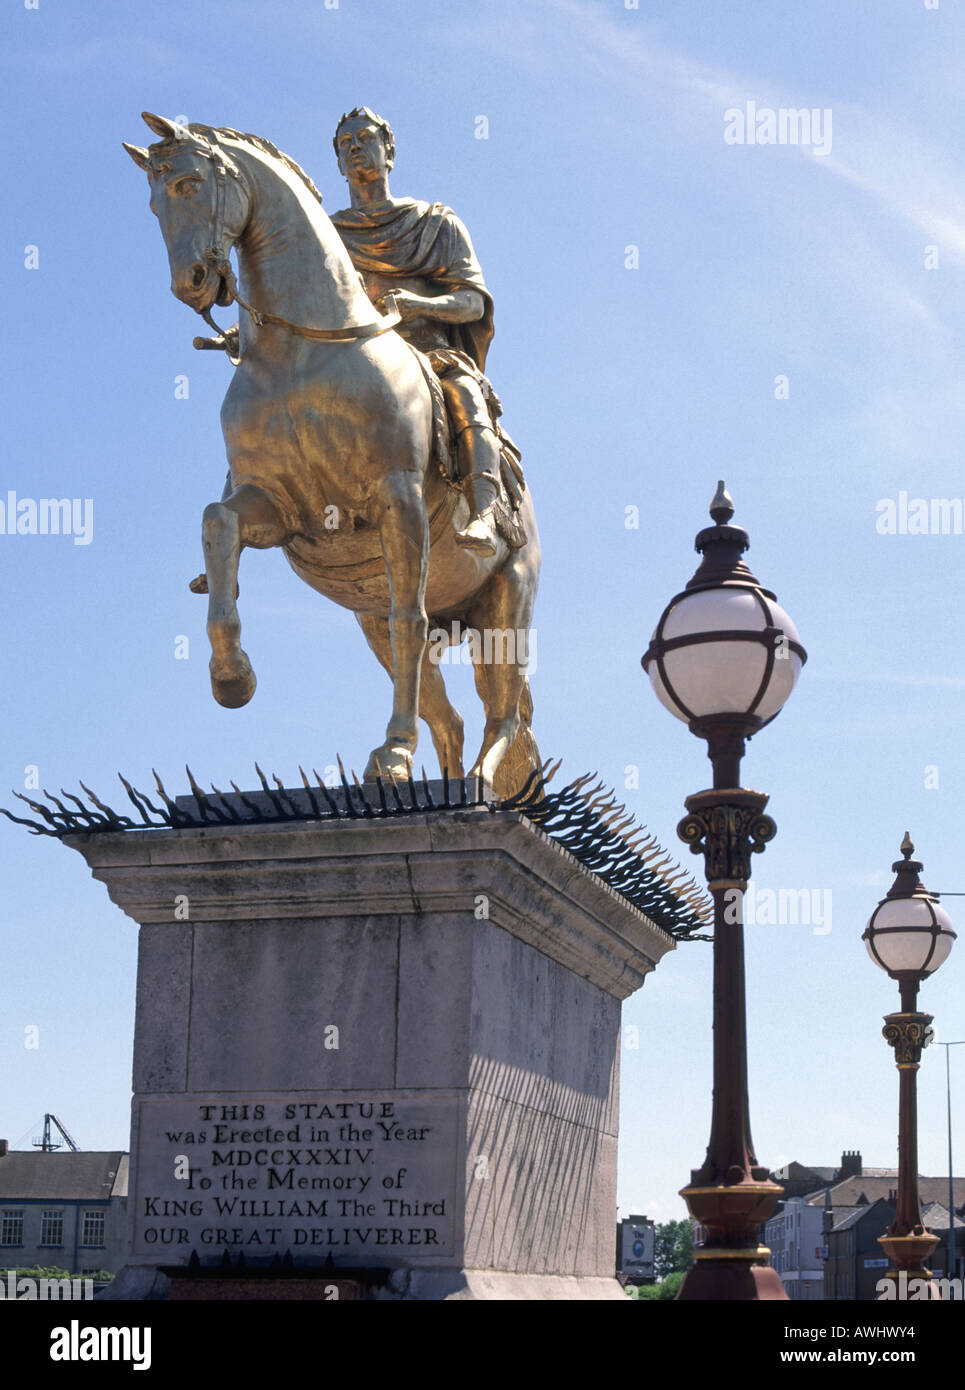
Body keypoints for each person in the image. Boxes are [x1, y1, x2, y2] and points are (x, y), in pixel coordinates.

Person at [331, 107, 524, 557]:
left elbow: (472, 301)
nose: (355, 146)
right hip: (351, 360)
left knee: (465, 395)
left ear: (389, 151)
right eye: (345, 143)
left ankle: (482, 509)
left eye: (364, 137)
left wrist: (418, 303)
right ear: (339, 163)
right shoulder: (328, 235)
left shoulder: (435, 224)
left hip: (429, 353)